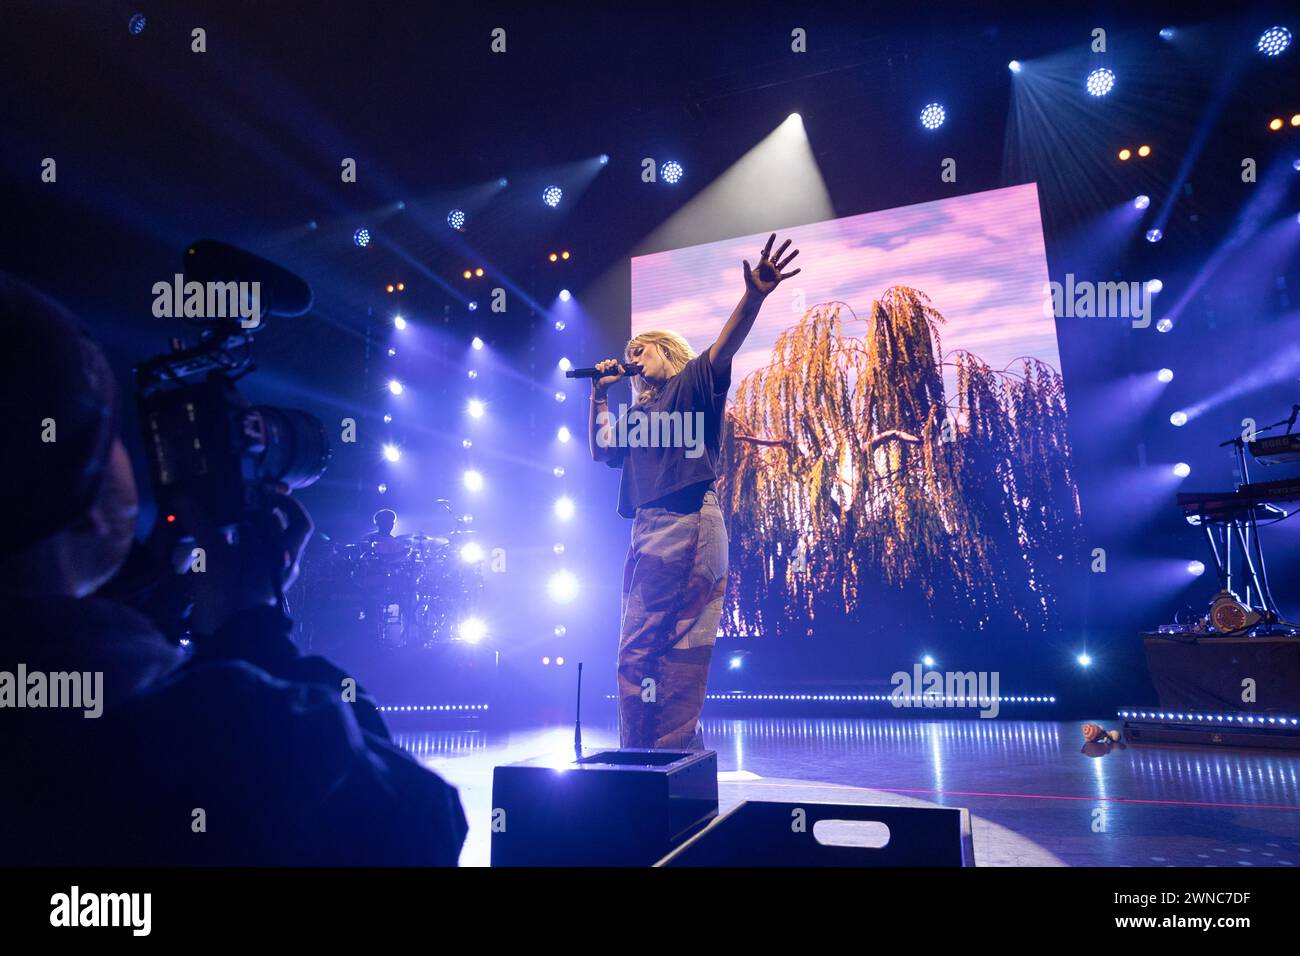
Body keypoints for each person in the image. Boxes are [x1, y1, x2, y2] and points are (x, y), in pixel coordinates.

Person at [0, 273, 467, 865]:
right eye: (116, 433)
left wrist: (151, 579)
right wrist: (254, 626)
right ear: (85, 501)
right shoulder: (213, 727)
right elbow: (421, 825)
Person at [588, 233, 801, 749]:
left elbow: (725, 345)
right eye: (627, 353)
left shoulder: (691, 386)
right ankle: (674, 754)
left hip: (687, 521)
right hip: (650, 527)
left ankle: (646, 760)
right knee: (660, 647)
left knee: (647, 650)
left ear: (668, 351)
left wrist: (753, 296)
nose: (632, 357)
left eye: (642, 349)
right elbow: (602, 449)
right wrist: (599, 394)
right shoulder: (638, 414)